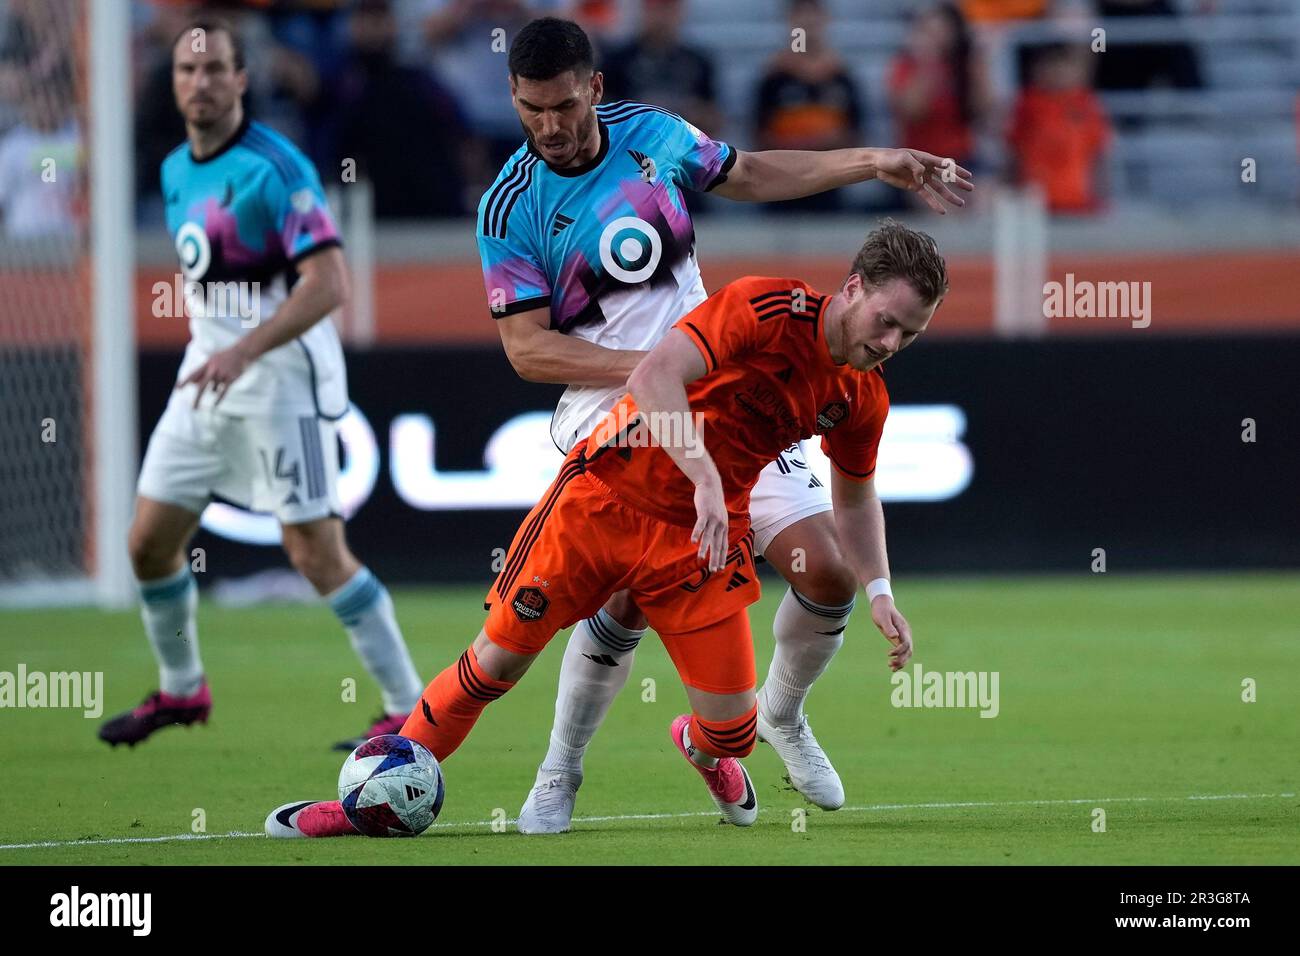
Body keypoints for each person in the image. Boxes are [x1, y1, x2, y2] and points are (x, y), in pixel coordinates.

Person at [263, 17, 969, 839]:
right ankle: (557, 770)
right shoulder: (508, 207)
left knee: (828, 572)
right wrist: (661, 362)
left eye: (563, 105)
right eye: (531, 110)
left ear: (594, 88)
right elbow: (527, 350)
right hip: (618, 408)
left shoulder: (652, 139)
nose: (549, 127)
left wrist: (873, 159)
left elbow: (752, 173)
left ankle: (771, 721)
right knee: (626, 594)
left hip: (727, 399)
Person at [98, 17, 423, 753]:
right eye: (187, 70)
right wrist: (221, 352)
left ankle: (407, 707)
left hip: (278, 376)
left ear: (242, 79)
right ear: (174, 82)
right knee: (148, 542)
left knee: (314, 553)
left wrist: (243, 351)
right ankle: (183, 690)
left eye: (216, 70)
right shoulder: (178, 167)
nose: (201, 82)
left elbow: (329, 283)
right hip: (205, 371)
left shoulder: (277, 170)